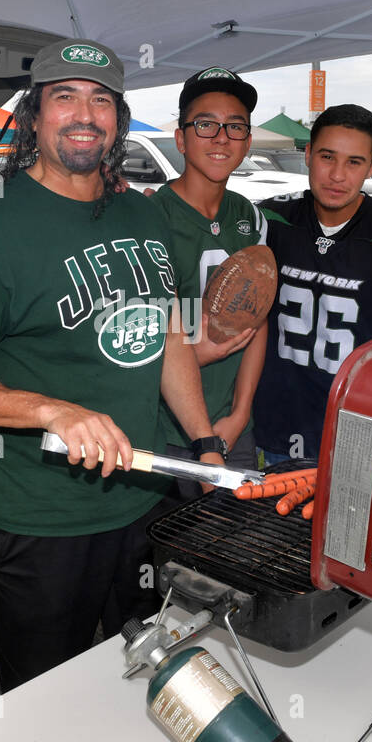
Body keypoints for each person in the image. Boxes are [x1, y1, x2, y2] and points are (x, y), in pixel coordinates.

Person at [0, 38, 221, 692]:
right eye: (65, 97)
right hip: (37, 520)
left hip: (141, 505)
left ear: (116, 119)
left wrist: (206, 442)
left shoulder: (144, 217)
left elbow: (166, 339)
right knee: (43, 701)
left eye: (100, 99)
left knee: (145, 682)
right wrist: (52, 410)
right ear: (34, 116)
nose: (85, 113)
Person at [253, 103, 372, 463]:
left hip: (356, 432)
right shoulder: (269, 221)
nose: (337, 175)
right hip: (278, 419)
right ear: (307, 154)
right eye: (327, 157)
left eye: (354, 162)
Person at [152, 67, 268, 494]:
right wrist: (192, 356)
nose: (221, 137)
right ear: (181, 138)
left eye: (234, 126)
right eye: (206, 124)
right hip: (163, 426)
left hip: (230, 424)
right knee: (167, 548)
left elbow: (258, 319)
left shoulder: (250, 217)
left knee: (227, 548)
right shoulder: (149, 218)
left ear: (248, 141)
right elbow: (141, 334)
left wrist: (240, 414)